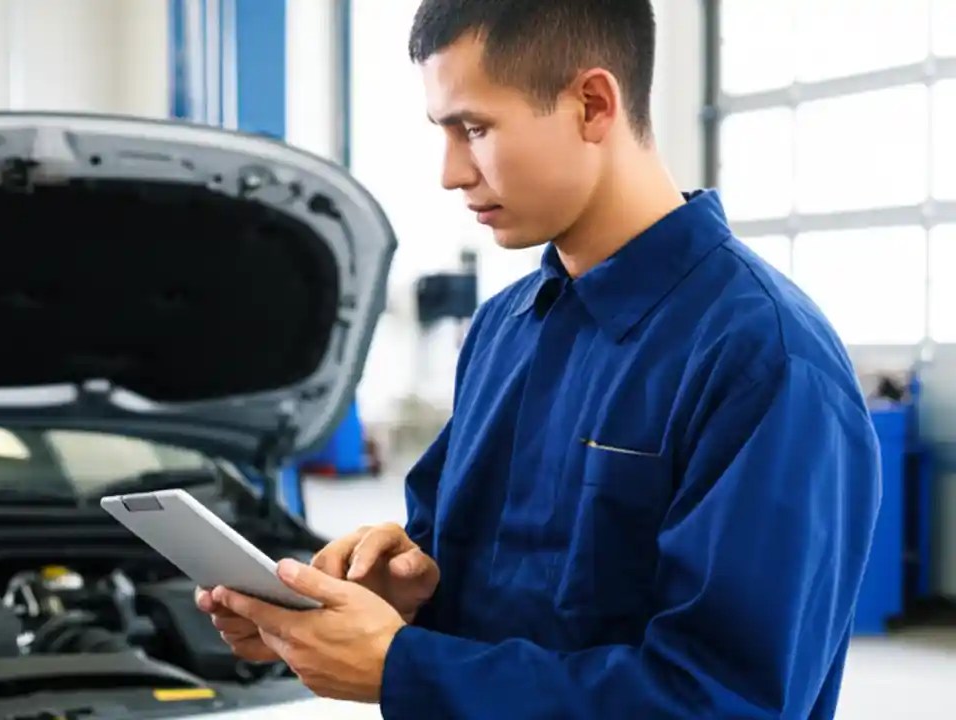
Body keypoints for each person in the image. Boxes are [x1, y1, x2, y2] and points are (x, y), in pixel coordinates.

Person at [197, 0, 883, 717]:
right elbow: (457, 569)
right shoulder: (505, 328)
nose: (451, 173)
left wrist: (407, 666)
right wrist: (385, 598)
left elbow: (724, 701)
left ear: (592, 104)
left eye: (475, 129)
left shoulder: (765, 361)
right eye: (444, 132)